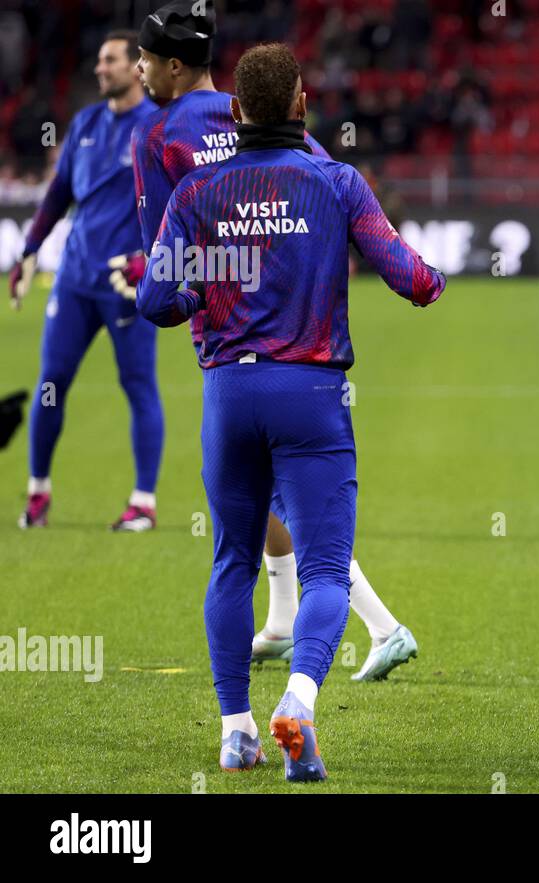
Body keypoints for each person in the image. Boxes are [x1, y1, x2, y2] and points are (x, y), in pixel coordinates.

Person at [137, 42, 445, 780]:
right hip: (310, 395)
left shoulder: (196, 195)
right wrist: (433, 277)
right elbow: (410, 277)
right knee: (326, 570)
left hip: (228, 397)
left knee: (231, 563)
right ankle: (300, 703)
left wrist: (204, 284)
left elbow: (155, 301)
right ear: (303, 107)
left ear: (235, 112)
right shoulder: (335, 180)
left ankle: (235, 731)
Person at [8, 30, 162, 531]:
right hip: (74, 280)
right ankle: (38, 493)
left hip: (126, 284)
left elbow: (180, 205)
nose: (100, 68)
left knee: (138, 386)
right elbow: (57, 195)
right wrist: (29, 250)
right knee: (52, 382)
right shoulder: (86, 123)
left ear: (136, 68)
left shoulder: (157, 128)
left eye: (110, 60)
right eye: (97, 59)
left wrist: (154, 258)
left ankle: (143, 501)